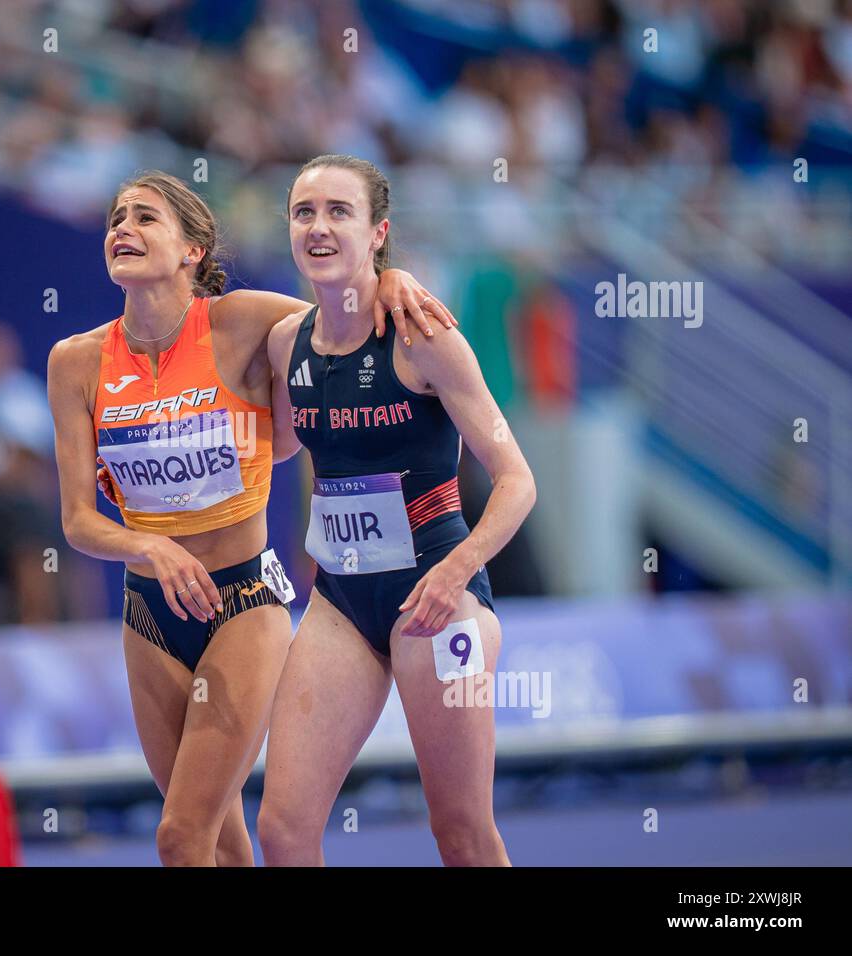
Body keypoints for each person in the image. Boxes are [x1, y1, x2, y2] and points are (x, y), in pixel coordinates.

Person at [48, 170, 451, 866]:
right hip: (150, 610)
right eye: (116, 217)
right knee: (221, 844)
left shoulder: (240, 321)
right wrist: (149, 547)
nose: (123, 228)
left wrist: (389, 279)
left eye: (146, 218)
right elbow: (79, 521)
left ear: (192, 250)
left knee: (179, 836)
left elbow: (342, 310)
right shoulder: (76, 362)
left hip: (244, 602)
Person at [257, 154, 536, 866]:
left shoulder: (422, 334)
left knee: (462, 833)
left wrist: (457, 571)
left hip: (438, 604)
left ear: (378, 231)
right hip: (342, 603)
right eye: (303, 212)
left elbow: (516, 480)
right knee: (284, 832)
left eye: (338, 211)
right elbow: (280, 451)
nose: (318, 226)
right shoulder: (286, 341)